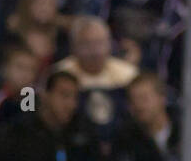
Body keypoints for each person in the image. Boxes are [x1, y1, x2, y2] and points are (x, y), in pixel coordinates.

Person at [51, 16, 139, 144]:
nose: (94, 51)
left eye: (99, 43)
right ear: (73, 47)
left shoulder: (128, 74)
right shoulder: (59, 74)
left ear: (110, 44)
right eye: (86, 44)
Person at [0, 44, 39, 153]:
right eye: (20, 67)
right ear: (5, 70)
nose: (25, 74)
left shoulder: (32, 98)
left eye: (30, 69)